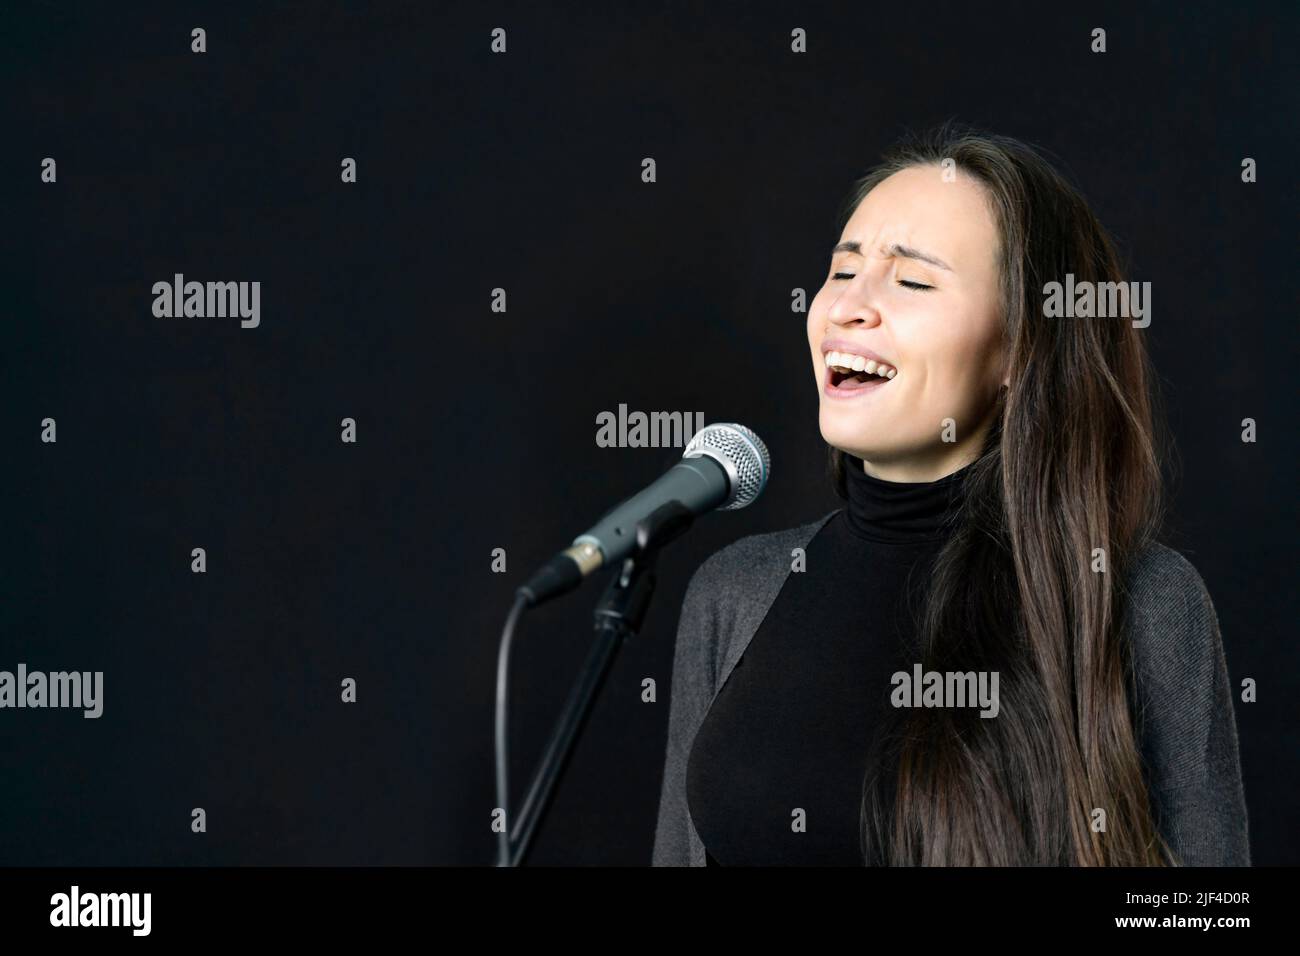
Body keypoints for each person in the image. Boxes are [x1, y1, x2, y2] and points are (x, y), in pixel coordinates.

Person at [651, 124, 1250, 866]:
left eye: (912, 281)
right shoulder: (735, 592)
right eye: (842, 273)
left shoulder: (1141, 602)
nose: (848, 308)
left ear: (1020, 351)